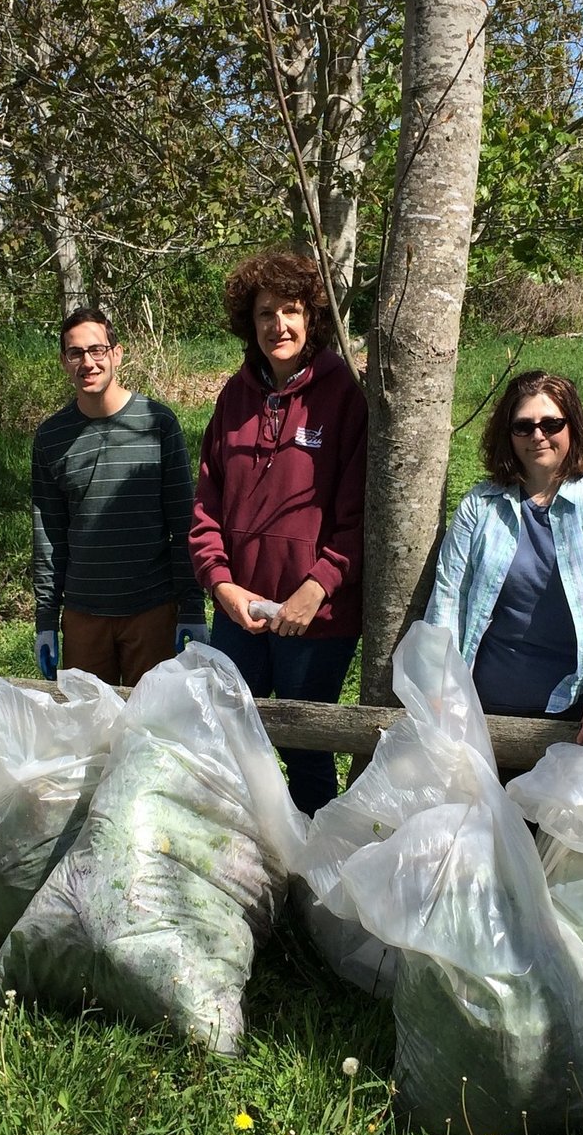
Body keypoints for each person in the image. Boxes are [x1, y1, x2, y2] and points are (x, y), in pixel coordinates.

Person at [189, 250, 366, 815]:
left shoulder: (344, 395)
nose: (279, 325)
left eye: (291, 310)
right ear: (251, 321)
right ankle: (250, 853)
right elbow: (206, 506)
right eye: (266, 313)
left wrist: (316, 588)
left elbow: (358, 515)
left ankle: (311, 858)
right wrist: (221, 584)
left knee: (304, 748)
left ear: (312, 316)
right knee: (231, 742)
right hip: (240, 611)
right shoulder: (234, 397)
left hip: (315, 617)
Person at [425, 370, 583, 745]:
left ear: (572, 425)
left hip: (580, 711)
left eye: (551, 423)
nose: (538, 435)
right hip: (481, 708)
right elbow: (449, 599)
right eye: (523, 426)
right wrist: (440, 688)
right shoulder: (479, 506)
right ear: (508, 434)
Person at [32, 310, 206, 687]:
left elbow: (184, 522)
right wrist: (46, 620)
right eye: (76, 353)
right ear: (64, 361)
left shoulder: (158, 423)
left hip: (152, 610)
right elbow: (48, 537)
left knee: (154, 718)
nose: (88, 362)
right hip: (84, 615)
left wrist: (192, 608)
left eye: (97, 350)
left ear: (117, 354)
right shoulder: (51, 437)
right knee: (89, 720)